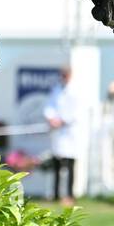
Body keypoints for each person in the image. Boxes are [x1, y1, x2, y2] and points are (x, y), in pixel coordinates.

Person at [42, 67, 81, 204]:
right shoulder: (56, 90)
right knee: (57, 163)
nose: (63, 77)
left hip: (70, 132)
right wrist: (52, 118)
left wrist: (62, 120)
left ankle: (69, 195)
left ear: (70, 75)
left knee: (69, 163)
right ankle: (56, 194)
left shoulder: (76, 91)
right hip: (57, 132)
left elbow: (76, 112)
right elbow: (49, 106)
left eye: (65, 75)